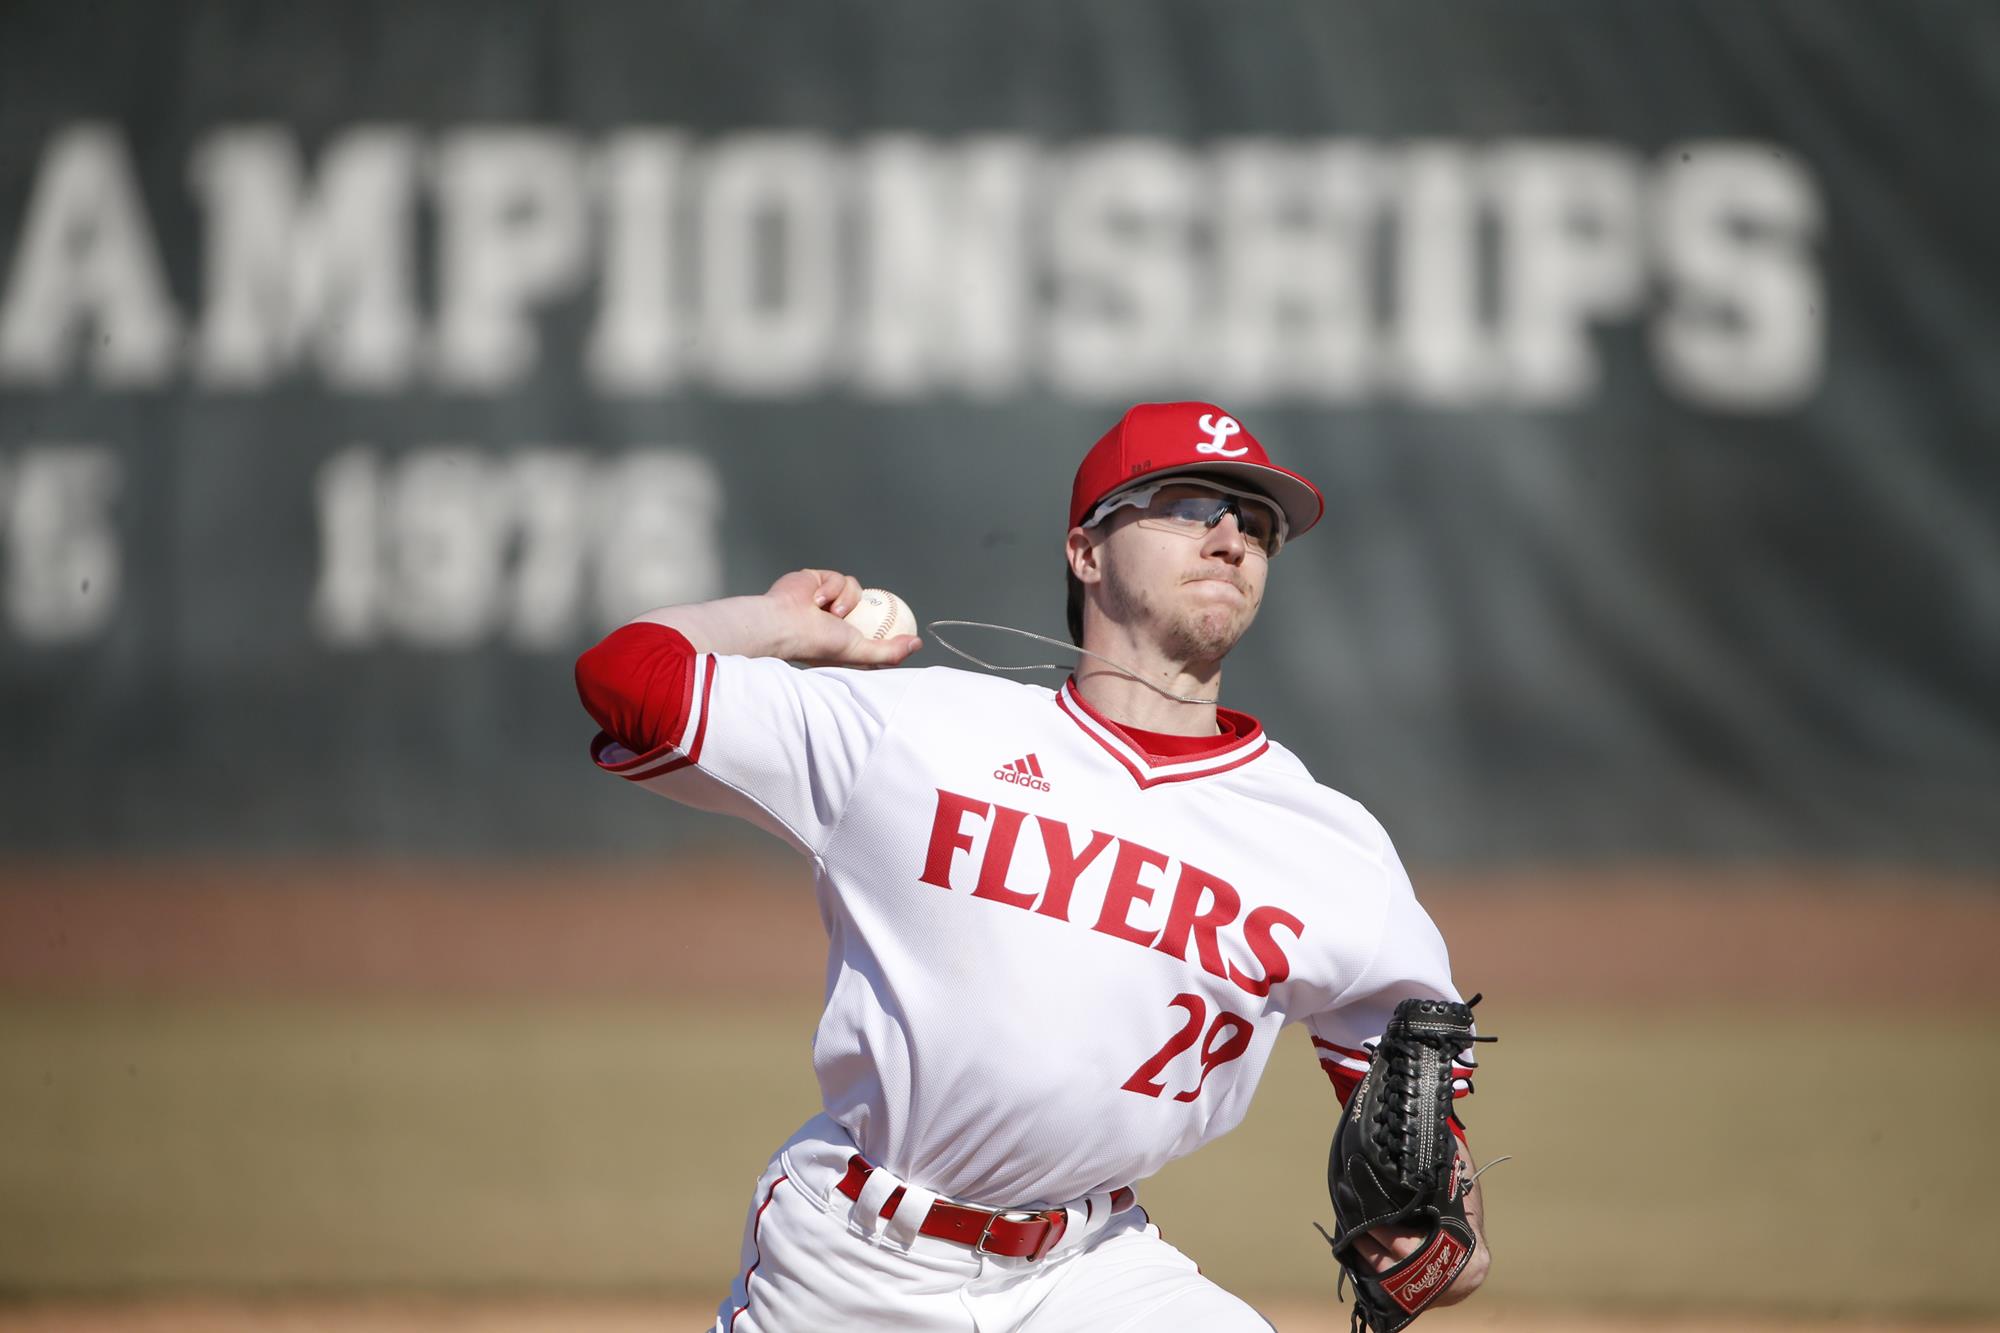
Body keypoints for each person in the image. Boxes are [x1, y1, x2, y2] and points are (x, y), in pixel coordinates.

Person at [574, 401, 1489, 1331]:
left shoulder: (1329, 845)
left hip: (1093, 1270)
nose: (1229, 535)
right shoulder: (919, 732)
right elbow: (625, 679)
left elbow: (1425, 1129)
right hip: (855, 1259)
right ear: (1086, 552)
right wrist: (773, 624)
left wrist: (1450, 1239)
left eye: (1256, 523)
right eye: (1186, 503)